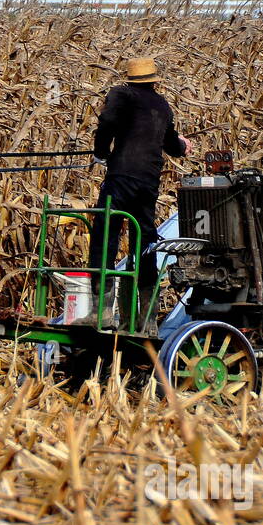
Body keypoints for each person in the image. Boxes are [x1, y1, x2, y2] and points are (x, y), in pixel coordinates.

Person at [85, 56, 193, 326]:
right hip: (148, 184)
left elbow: (107, 121)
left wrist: (100, 153)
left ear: (131, 78)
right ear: (154, 79)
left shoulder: (121, 94)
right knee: (145, 243)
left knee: (105, 234)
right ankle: (147, 319)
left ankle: (102, 312)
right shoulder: (162, 105)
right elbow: (171, 144)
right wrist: (182, 146)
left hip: (121, 176)